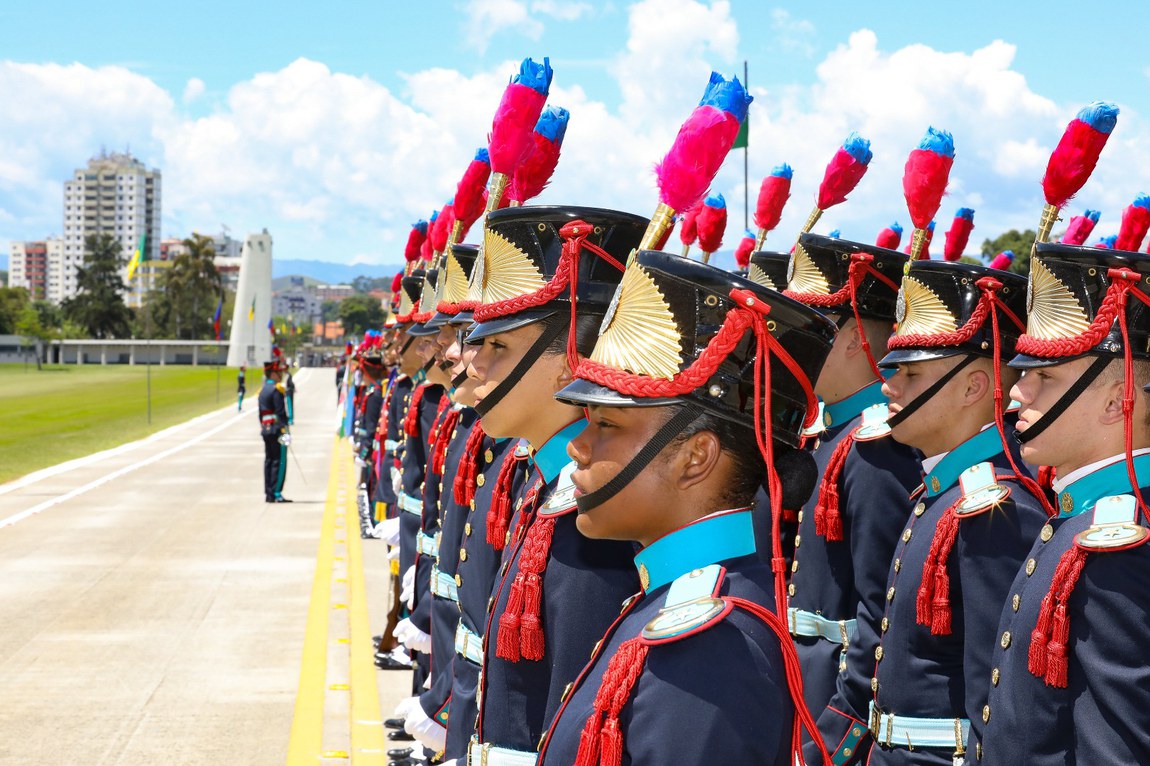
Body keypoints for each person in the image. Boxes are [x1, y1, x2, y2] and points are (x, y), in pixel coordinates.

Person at [537, 248, 836, 764]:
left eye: (607, 424)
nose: (577, 446)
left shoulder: (711, 646)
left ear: (695, 457)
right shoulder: (676, 601)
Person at [812, 260, 1050, 764]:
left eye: (911, 372)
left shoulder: (991, 509)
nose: (888, 386)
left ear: (972, 388)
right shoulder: (944, 492)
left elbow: (997, 703)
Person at [460, 208, 648, 765]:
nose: (471, 364)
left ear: (570, 364)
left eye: (499, 349)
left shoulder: (592, 511)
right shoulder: (544, 485)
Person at [968, 243, 1150, 764]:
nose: (1014, 394)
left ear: (1118, 400)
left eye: (1043, 377)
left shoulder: (1119, 543)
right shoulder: (1078, 516)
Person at [772, 233, 922, 717]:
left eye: (810, 328)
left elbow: (880, 621)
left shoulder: (877, 449)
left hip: (832, 706)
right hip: (804, 690)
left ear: (857, 337)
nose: (790, 344)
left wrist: (836, 735)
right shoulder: (835, 433)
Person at [257, 357, 291, 503]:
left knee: (269, 460)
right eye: (278, 373)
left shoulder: (263, 390)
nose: (280, 375)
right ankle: (277, 492)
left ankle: (269, 492)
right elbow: (281, 412)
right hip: (277, 430)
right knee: (279, 461)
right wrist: (285, 431)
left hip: (266, 429)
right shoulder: (277, 390)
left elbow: (261, 414)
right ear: (272, 374)